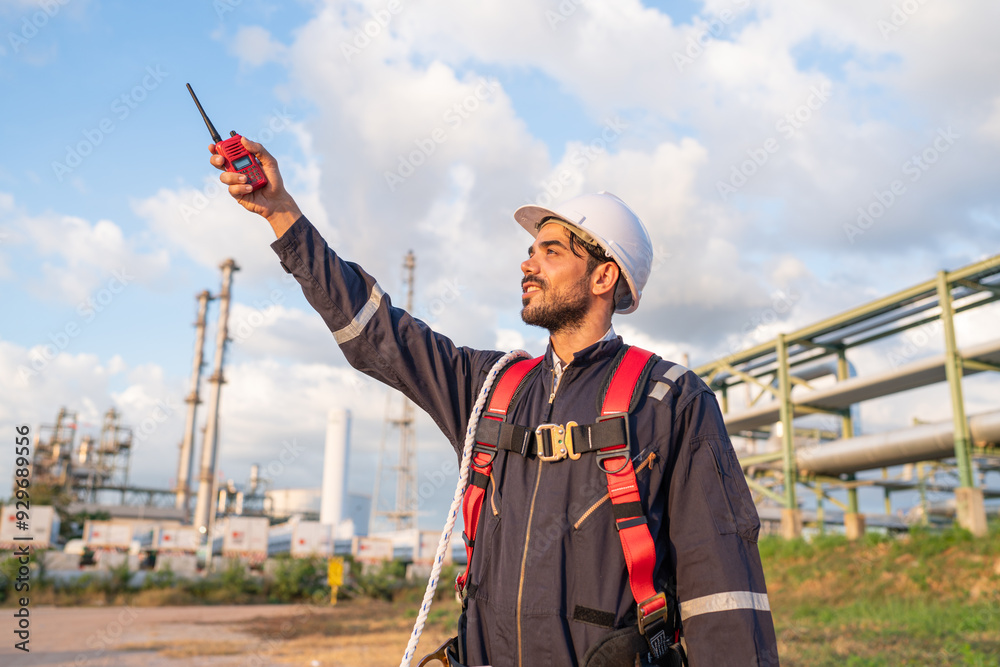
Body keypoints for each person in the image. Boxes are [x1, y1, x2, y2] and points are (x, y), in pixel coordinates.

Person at [210, 138, 780, 667]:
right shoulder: (491, 389)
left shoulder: (670, 400)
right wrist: (281, 211)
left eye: (550, 251)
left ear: (604, 275)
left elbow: (723, 588)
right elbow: (377, 333)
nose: (528, 263)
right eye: (531, 250)